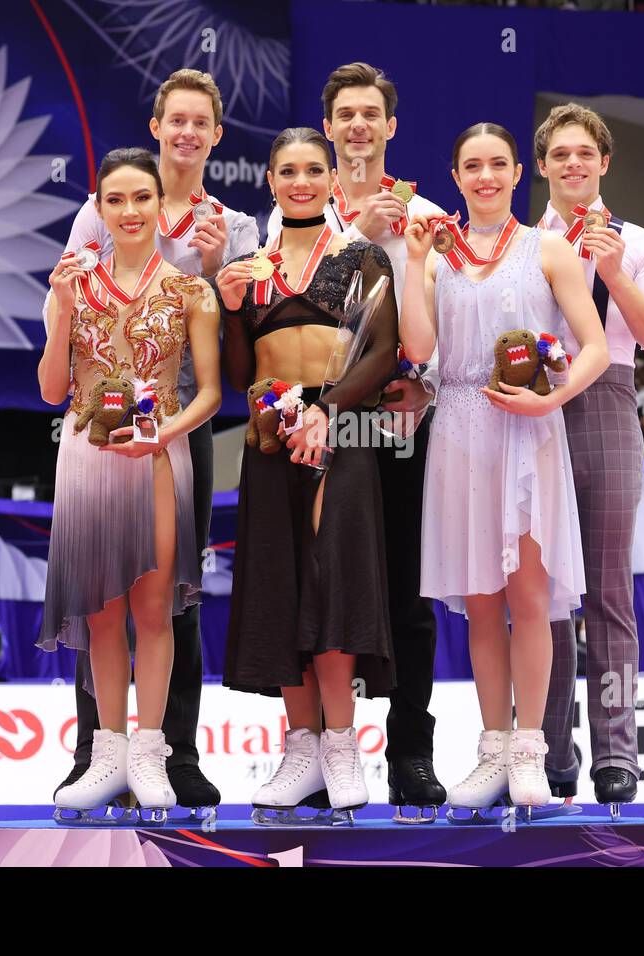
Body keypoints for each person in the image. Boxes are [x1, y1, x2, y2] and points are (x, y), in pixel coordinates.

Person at [55, 70, 258, 813]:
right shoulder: (98, 208)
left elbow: (236, 350)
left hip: (176, 427)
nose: (187, 133)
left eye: (200, 122)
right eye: (176, 120)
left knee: (173, 595)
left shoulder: (234, 228)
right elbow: (68, 311)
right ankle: (94, 750)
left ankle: (174, 753)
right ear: (156, 126)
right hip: (101, 429)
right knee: (99, 594)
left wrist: (210, 270)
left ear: (215, 135)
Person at [402, 119, 609, 815]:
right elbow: (418, 346)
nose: (485, 176)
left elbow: (595, 348)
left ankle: (530, 754)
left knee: (528, 599)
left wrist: (550, 394)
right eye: (472, 166)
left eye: (498, 164)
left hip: (528, 433)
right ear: (455, 178)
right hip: (459, 427)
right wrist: (409, 262)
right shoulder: (437, 256)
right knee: (482, 604)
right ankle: (491, 750)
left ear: (519, 173)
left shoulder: (547, 248)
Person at [262, 62, 449, 816]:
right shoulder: (294, 210)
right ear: (330, 124)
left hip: (392, 421)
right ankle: (320, 749)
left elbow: (450, 322)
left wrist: (428, 384)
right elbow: (284, 310)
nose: (359, 126)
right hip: (312, 420)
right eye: (346, 114)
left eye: (372, 113)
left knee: (405, 588)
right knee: (311, 586)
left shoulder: (424, 211)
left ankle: (410, 748)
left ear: (391, 126)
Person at [217, 127, 398, 822]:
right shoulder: (249, 266)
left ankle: (343, 746)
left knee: (334, 578)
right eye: (287, 170)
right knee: (280, 582)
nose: (300, 181)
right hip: (267, 447)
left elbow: (384, 352)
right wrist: (232, 311)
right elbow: (239, 375)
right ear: (268, 179)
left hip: (342, 435)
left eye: (312, 170)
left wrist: (327, 406)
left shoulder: (362, 256)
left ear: (330, 179)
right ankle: (299, 749)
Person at [38, 147, 221, 820]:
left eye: (141, 198)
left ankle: (152, 753)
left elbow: (209, 393)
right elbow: (53, 388)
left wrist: (165, 436)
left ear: (157, 206)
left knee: (154, 609)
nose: (130, 211)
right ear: (98, 208)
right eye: (115, 200)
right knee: (101, 613)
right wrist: (59, 310)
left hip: (155, 458)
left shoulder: (190, 289)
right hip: (87, 459)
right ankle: (106, 751)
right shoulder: (72, 285)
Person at [532, 104, 644, 812]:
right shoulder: (520, 245)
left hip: (610, 408)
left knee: (609, 593)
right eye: (559, 155)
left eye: (584, 153)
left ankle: (617, 753)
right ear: (542, 167)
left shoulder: (643, 243)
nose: (572, 165)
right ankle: (553, 749)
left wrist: (615, 273)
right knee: (544, 595)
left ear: (605, 162)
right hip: (537, 409)